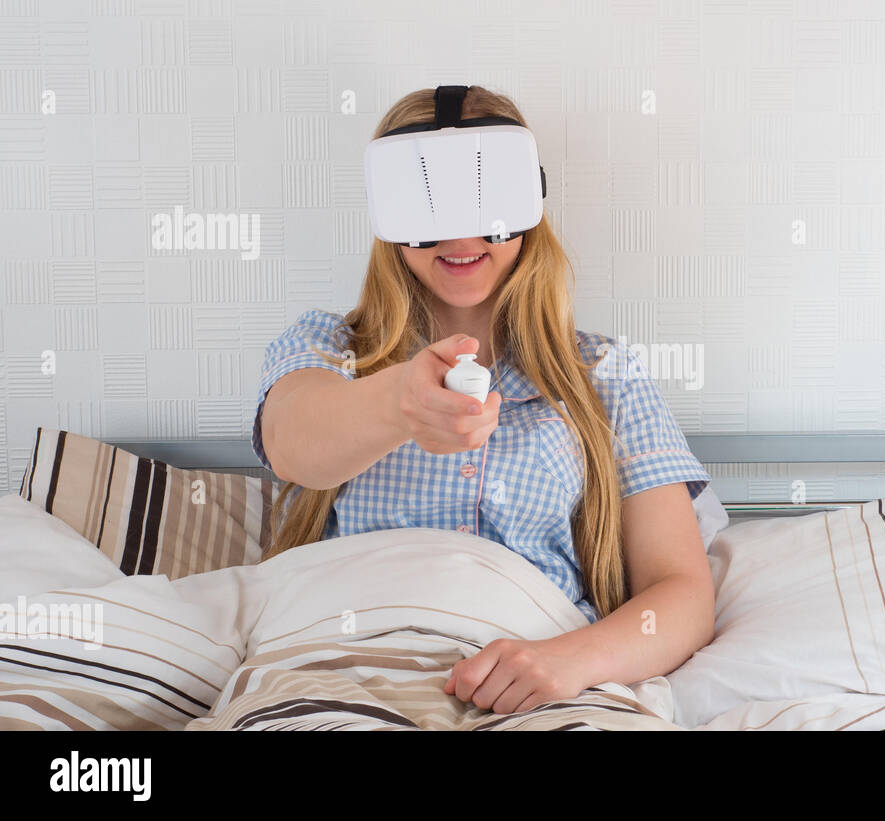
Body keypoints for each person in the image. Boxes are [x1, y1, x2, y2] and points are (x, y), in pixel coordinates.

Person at [252, 85, 715, 715]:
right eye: (427, 202)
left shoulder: (606, 376)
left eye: (483, 196)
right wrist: (398, 404)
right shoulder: (329, 348)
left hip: (541, 680)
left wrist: (568, 661)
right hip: (346, 663)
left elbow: (682, 593)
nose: (461, 233)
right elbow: (291, 444)